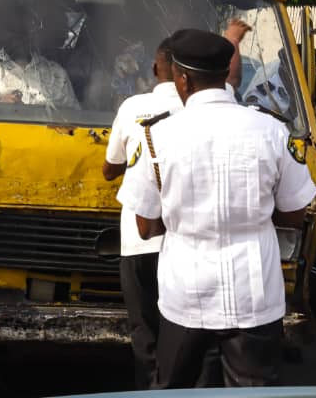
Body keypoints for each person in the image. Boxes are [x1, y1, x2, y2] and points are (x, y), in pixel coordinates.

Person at [119, 28, 316, 388]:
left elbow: (145, 227)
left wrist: (185, 219)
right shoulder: (272, 130)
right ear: (227, 74)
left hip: (185, 295)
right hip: (254, 295)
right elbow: (294, 215)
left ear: (181, 79)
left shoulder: (156, 136)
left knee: (175, 391)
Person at [103, 21, 251, 389]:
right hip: (193, 247)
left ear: (158, 69)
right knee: (195, 335)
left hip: (141, 243)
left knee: (146, 333)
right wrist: (232, 39)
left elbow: (110, 169)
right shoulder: (220, 110)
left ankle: (150, 391)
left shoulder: (135, 108)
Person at [0, 0, 79, 109]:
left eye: (24, 31)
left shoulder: (57, 75)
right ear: (2, 32)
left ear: (34, 32)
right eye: (13, 30)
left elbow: (76, 118)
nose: (19, 39)